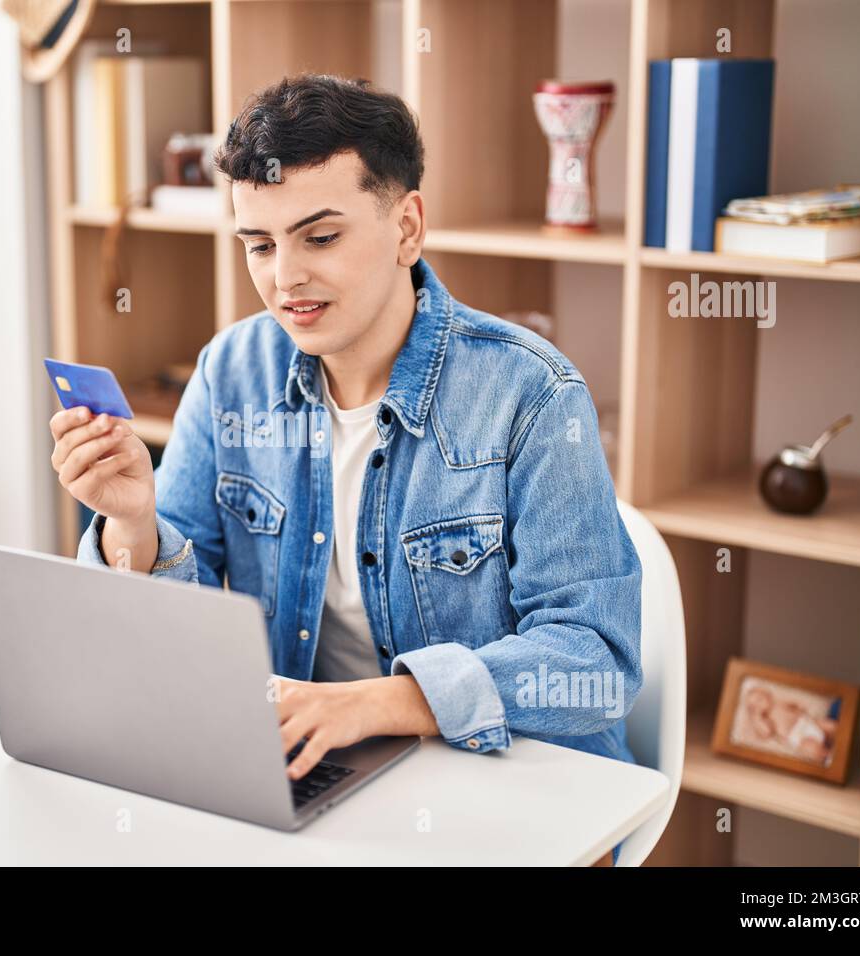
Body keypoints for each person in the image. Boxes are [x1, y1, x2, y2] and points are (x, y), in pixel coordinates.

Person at [50, 74, 642, 866]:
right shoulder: (232, 372)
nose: (283, 277)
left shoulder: (531, 395)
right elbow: (166, 637)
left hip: (504, 791)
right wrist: (133, 522)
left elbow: (597, 662)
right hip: (320, 783)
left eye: (318, 237)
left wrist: (380, 705)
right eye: (259, 244)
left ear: (407, 227)